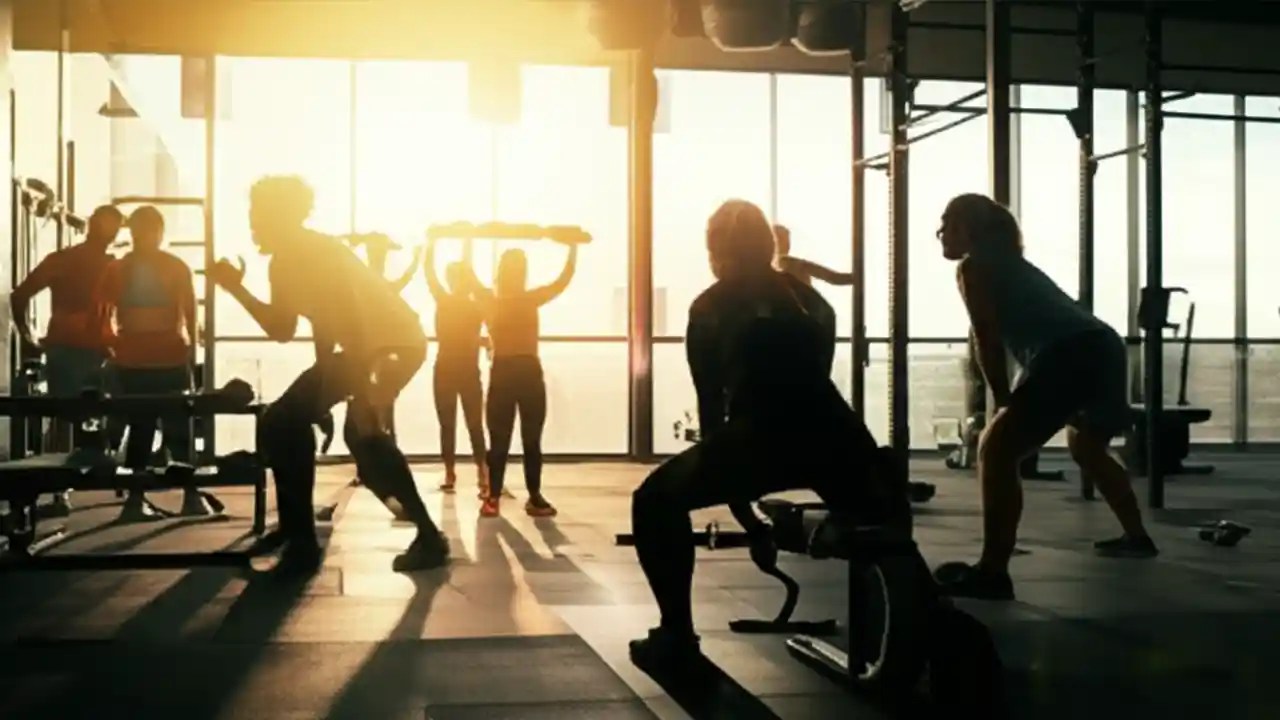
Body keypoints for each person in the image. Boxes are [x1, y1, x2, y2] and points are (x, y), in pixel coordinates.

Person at [627, 200, 906, 669]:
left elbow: (714, 416)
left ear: (715, 251)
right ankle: (914, 618)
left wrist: (749, 522)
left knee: (653, 501)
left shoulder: (709, 308)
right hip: (839, 436)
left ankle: (676, 635)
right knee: (878, 521)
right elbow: (814, 383)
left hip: (763, 437)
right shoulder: (813, 304)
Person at [207, 175, 446, 573]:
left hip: (387, 346)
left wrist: (361, 392)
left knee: (333, 432)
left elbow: (352, 315)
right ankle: (299, 532)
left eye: (258, 213)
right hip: (373, 346)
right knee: (299, 425)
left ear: (279, 215)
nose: (252, 222)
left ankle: (419, 537)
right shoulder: (286, 260)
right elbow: (285, 328)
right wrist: (236, 289)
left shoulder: (314, 252)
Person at [933, 192, 1157, 602]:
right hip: (1102, 346)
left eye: (948, 223)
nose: (940, 232)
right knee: (1087, 446)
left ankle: (992, 572)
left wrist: (1002, 398)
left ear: (969, 228)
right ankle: (1137, 536)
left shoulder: (974, 267)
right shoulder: (1011, 263)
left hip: (1070, 352)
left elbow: (986, 335)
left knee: (996, 451)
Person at [10, 204, 124, 516]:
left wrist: (28, 336)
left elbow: (20, 296)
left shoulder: (105, 265)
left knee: (79, 415)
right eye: (108, 227)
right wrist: (27, 336)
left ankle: (65, 489)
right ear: (92, 226)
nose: (110, 233)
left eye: (114, 228)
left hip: (94, 347)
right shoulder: (74, 262)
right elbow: (20, 296)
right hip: (76, 347)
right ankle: (62, 489)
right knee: (73, 415)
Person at [95, 205, 207, 518]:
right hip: (158, 358)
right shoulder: (169, 267)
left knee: (147, 429)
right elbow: (190, 314)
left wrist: (113, 346)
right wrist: (192, 355)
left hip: (145, 358)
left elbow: (103, 315)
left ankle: (143, 498)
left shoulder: (122, 268)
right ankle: (187, 496)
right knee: (170, 430)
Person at [467, 237, 578, 518]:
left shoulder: (494, 300)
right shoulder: (523, 299)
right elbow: (563, 280)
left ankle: (496, 497)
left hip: (508, 372)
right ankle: (527, 497)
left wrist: (466, 241)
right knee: (528, 439)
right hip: (525, 372)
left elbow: (468, 274)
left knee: (504, 440)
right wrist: (572, 248)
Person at [338, 233, 421, 477]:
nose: (380, 259)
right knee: (376, 410)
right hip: (372, 354)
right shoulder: (373, 286)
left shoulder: (368, 285)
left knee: (373, 410)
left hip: (375, 354)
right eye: (378, 254)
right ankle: (378, 465)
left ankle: (375, 466)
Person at [423, 237, 491, 496]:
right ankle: (474, 472)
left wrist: (433, 244)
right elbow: (430, 274)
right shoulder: (469, 306)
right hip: (460, 370)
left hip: (452, 369)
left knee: (457, 424)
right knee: (464, 424)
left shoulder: (451, 302)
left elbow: (429, 273)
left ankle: (467, 472)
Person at [772, 224, 854, 287]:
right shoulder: (798, 265)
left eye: (788, 240)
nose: (788, 244)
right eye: (782, 240)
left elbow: (834, 278)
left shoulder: (799, 265)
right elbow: (834, 278)